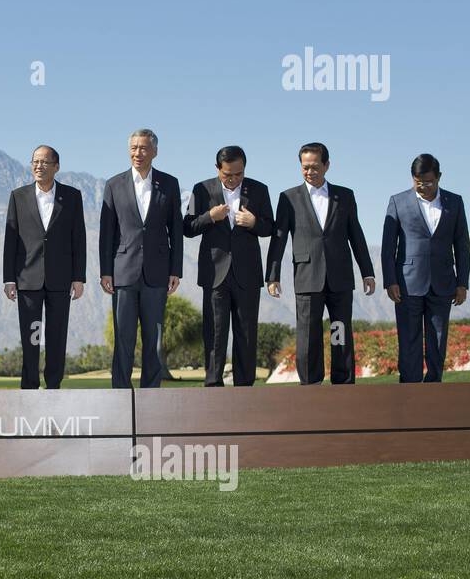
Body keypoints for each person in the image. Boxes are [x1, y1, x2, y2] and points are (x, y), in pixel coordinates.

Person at [266, 142, 375, 384]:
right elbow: (279, 238)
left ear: (327, 165)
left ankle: (343, 383)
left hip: (340, 277)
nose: (309, 172)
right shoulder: (288, 198)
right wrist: (272, 275)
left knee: (340, 331)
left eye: (315, 167)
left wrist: (367, 271)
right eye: (305, 167)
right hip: (307, 277)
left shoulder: (345, 196)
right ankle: (310, 385)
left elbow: (356, 234)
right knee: (308, 335)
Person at [183, 146, 274, 387]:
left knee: (246, 333)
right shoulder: (200, 189)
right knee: (214, 333)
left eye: (238, 173)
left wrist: (254, 223)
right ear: (217, 169)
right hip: (214, 274)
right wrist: (210, 217)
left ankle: (245, 387)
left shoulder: (259, 190)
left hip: (248, 274)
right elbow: (187, 227)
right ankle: (213, 384)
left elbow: (269, 228)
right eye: (227, 174)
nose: (233, 179)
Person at [99, 129, 183, 388]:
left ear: (155, 152)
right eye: (134, 147)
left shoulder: (169, 184)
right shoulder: (114, 184)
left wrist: (175, 270)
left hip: (157, 273)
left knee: (153, 339)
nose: (138, 153)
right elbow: (106, 232)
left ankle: (151, 394)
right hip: (123, 272)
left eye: (144, 148)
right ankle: (120, 393)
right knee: (124, 338)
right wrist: (106, 271)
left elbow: (176, 230)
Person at [380, 153, 470, 383]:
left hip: (443, 283)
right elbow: (388, 247)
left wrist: (462, 283)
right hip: (407, 284)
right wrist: (390, 281)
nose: (423, 187)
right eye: (418, 182)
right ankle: (409, 389)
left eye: (428, 182)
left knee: (438, 340)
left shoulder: (455, 202)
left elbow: (462, 245)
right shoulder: (397, 201)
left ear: (439, 177)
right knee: (409, 340)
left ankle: (433, 388)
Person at [2, 145, 86, 389]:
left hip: (61, 281)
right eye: (35, 162)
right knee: (31, 337)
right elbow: (11, 240)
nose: (39, 166)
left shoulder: (72, 197)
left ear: (56, 167)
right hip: (28, 281)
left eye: (44, 162)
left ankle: (53, 387)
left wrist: (78, 277)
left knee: (56, 337)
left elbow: (78, 238)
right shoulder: (18, 196)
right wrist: (9, 278)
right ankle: (29, 386)